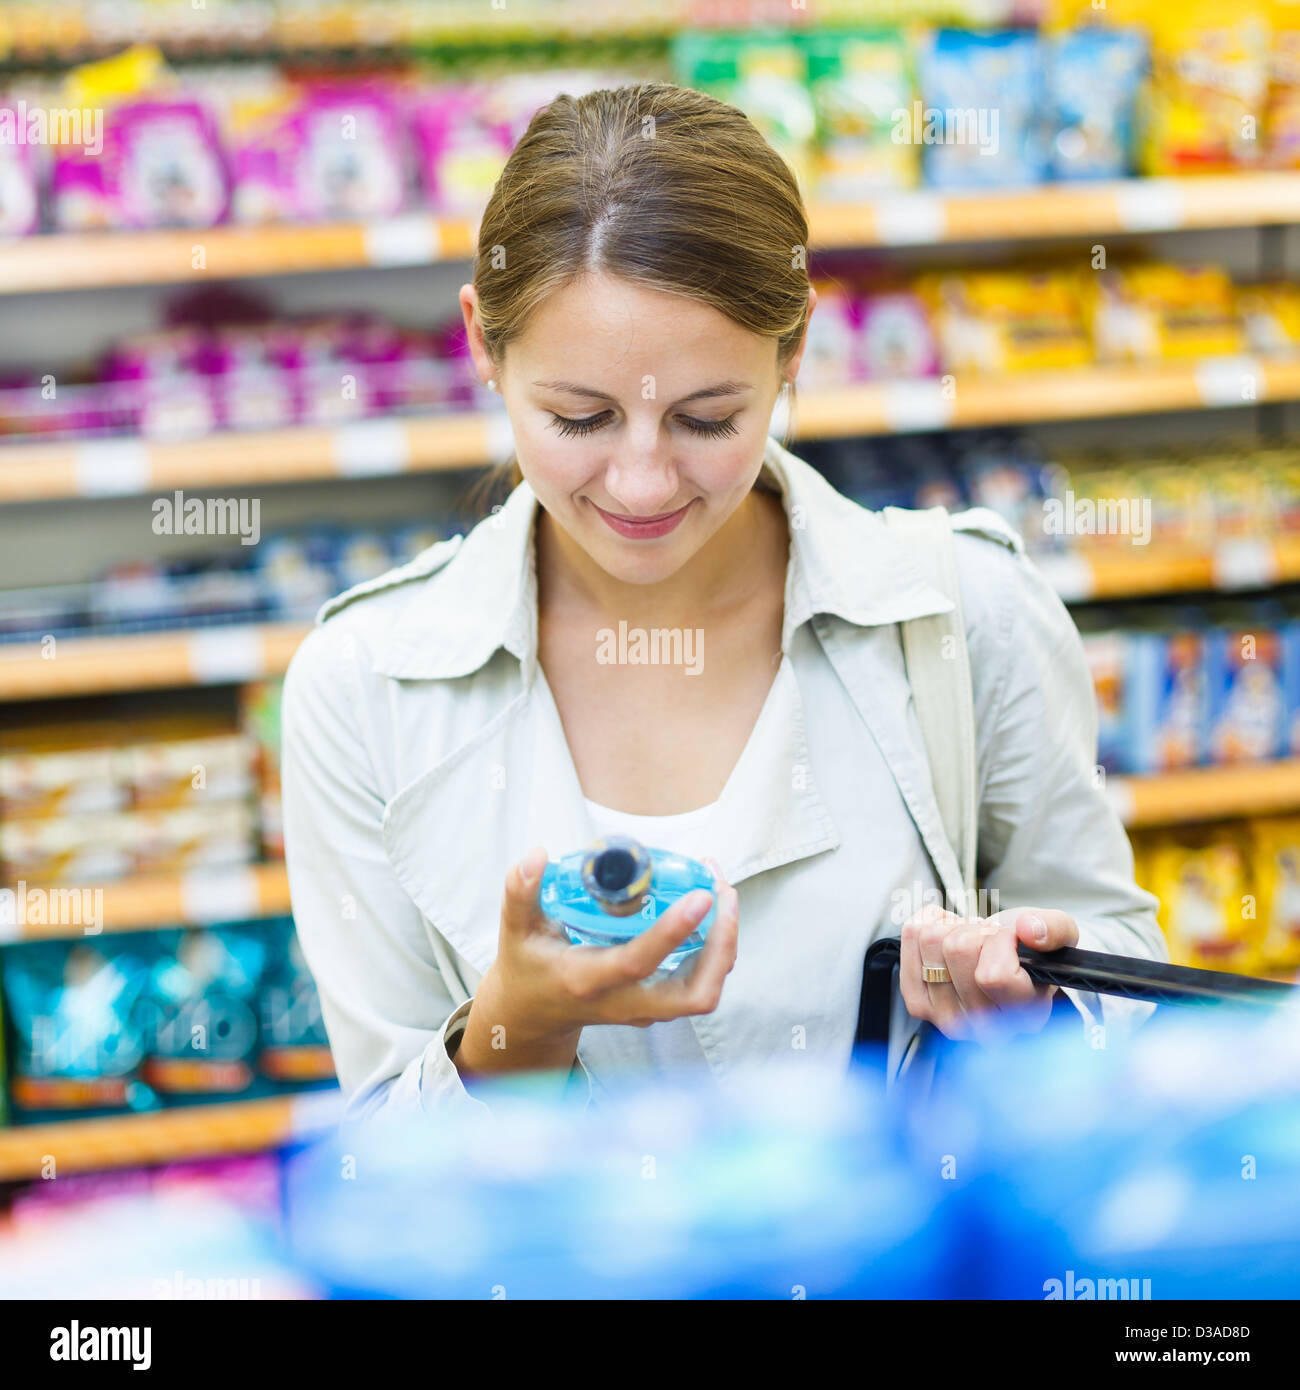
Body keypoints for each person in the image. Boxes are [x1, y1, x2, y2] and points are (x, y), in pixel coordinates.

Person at [281, 82, 1167, 1121]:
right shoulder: (360, 685)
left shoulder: (966, 613)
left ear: (794, 354)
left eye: (707, 418)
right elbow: (381, 1168)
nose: (643, 482)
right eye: (580, 417)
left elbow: (1124, 974)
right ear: (484, 344)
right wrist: (513, 1029)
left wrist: (1038, 1010)